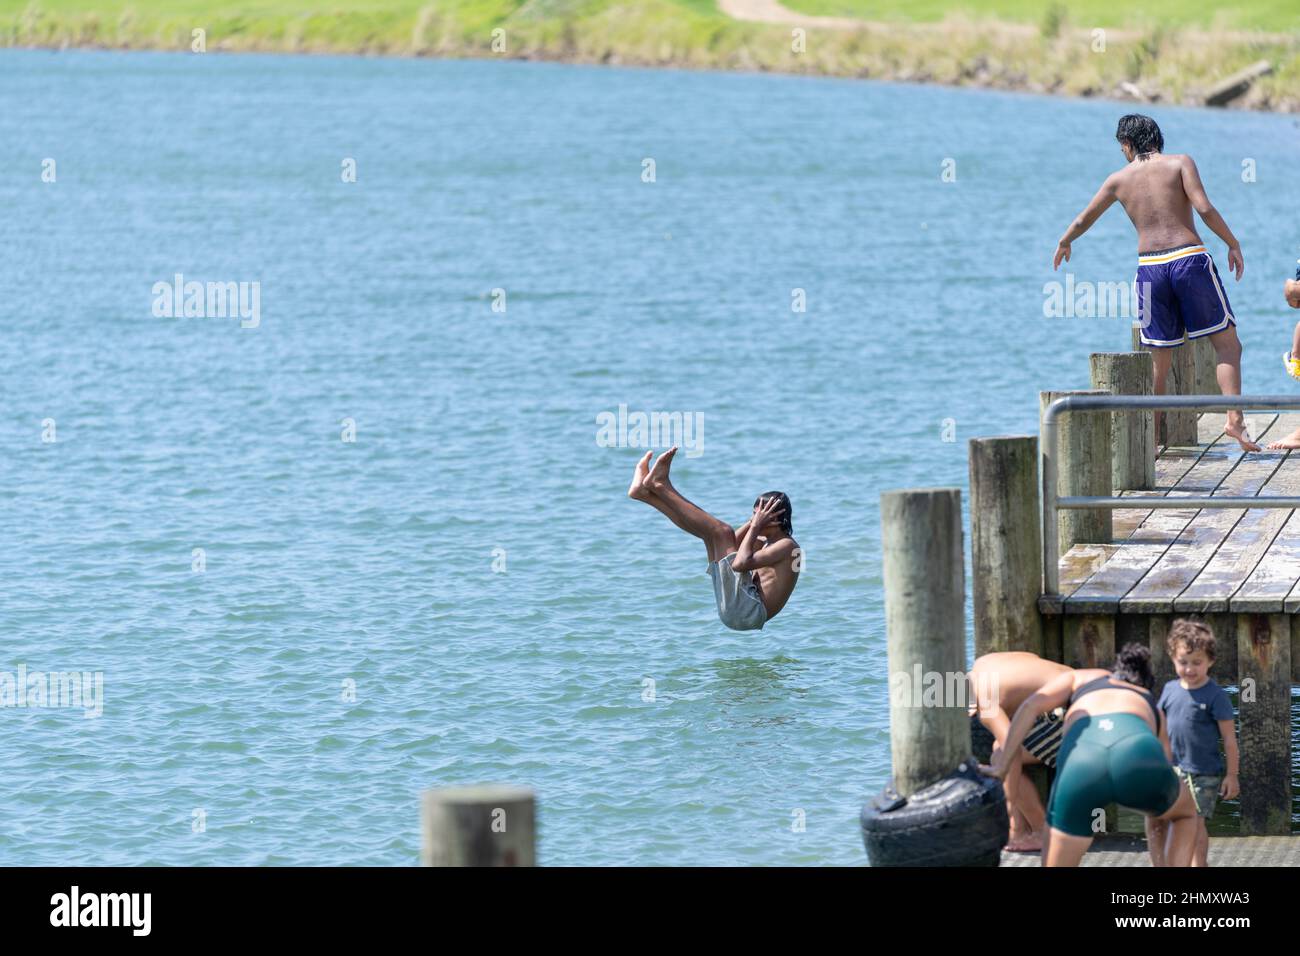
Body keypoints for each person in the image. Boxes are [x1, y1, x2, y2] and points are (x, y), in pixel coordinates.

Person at [1052, 114, 1259, 452]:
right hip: (1189, 260)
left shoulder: (1118, 180)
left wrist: (1065, 241)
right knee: (1227, 345)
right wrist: (1232, 243)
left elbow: (1082, 218)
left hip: (1149, 269)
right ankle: (1234, 421)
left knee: (1157, 360)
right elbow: (1204, 209)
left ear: (1127, 144)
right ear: (1157, 138)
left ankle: (1154, 437)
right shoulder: (1180, 163)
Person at [984, 644, 1199, 867]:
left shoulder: (1081, 677)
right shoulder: (1147, 701)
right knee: (1183, 813)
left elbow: (1029, 707)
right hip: (1135, 752)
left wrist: (1002, 766)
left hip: (1082, 761)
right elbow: (1165, 766)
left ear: (1114, 671)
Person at [628, 448, 799, 630]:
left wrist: (756, 527)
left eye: (761, 514)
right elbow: (733, 544)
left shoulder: (787, 546)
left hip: (749, 610)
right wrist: (752, 524)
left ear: (776, 517)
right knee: (711, 535)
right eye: (755, 514)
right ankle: (646, 495)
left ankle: (660, 485)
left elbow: (738, 564)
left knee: (722, 531)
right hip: (740, 609)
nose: (756, 517)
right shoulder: (763, 541)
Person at [1144, 620, 1238, 867]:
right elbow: (1158, 726)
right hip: (1171, 768)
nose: (1190, 669)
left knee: (1195, 821)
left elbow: (1229, 739)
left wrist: (1232, 775)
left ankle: (1199, 863)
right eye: (1183, 662)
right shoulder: (1169, 689)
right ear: (1173, 659)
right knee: (1163, 818)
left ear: (1211, 661)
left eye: (1197, 663)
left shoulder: (1216, 696)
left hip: (1204, 772)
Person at [968, 652, 1073, 852]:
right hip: (1088, 696)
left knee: (1000, 754)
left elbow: (1011, 751)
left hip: (1075, 720)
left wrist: (1006, 814)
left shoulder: (984, 701)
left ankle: (1032, 831)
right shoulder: (983, 663)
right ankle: (1029, 830)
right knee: (999, 751)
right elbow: (1031, 658)